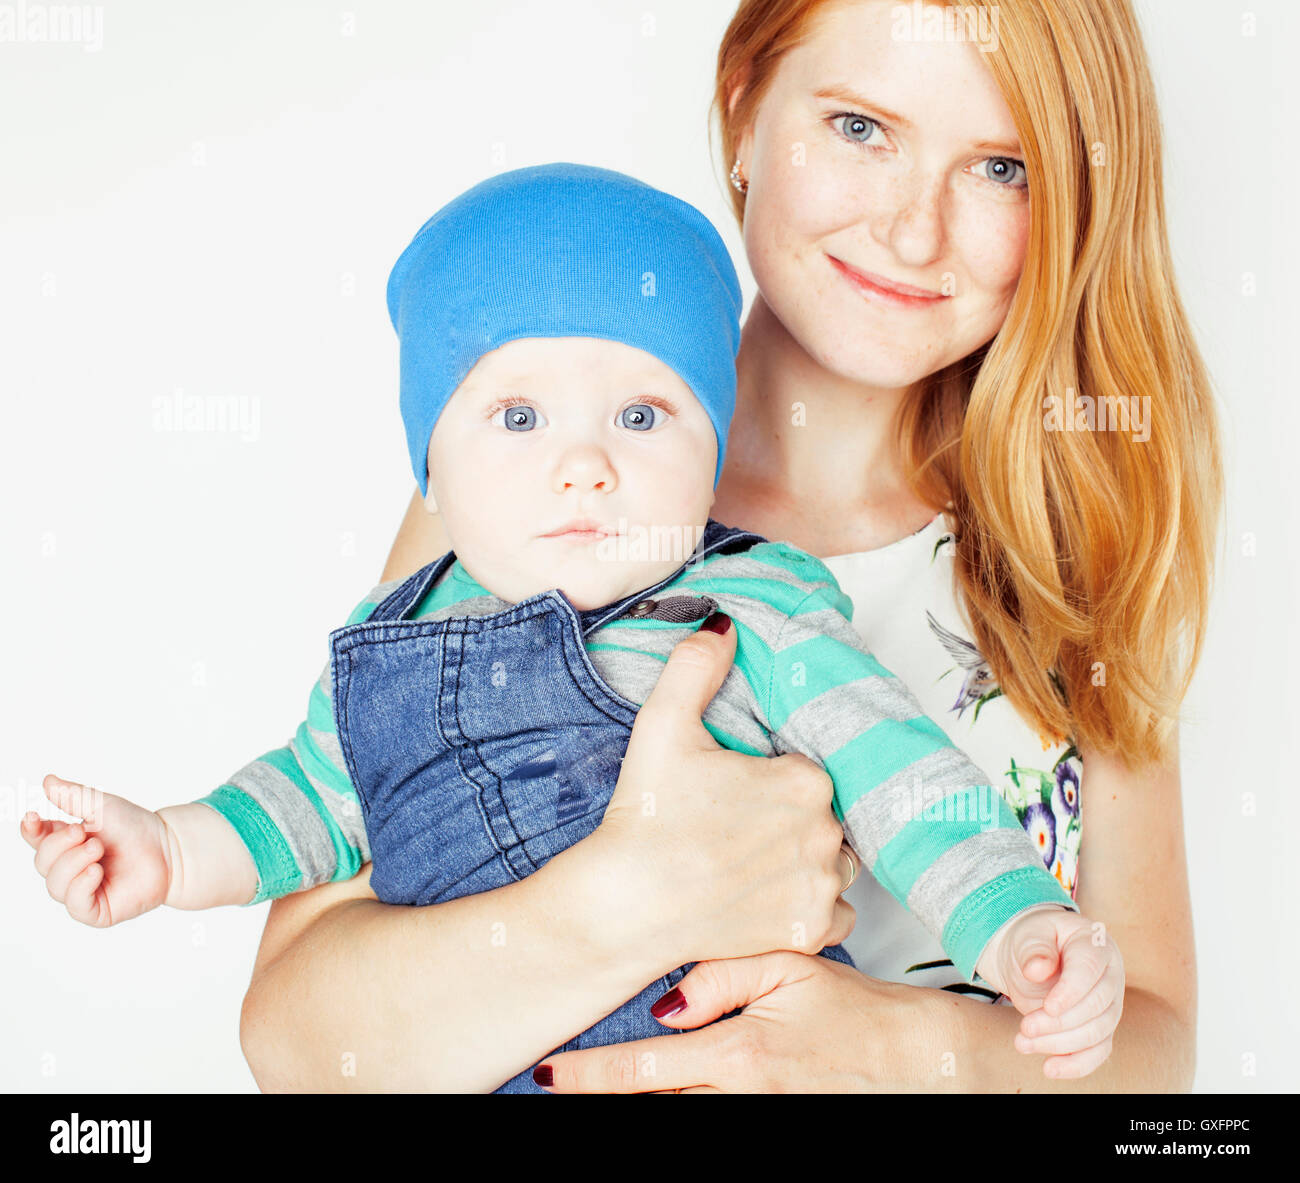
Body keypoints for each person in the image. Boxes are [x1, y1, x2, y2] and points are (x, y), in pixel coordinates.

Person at [233, 0, 1218, 1093]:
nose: (913, 232)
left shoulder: (1077, 533)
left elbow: (1158, 1051)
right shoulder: (548, 490)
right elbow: (302, 1047)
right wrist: (629, 900)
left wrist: (903, 1048)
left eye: (1000, 168)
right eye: (859, 128)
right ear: (745, 111)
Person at [23, 164, 1120, 1093]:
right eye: (516, 416)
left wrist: (1020, 928)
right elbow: (305, 804)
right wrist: (166, 848)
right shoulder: (386, 649)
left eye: (642, 416)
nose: (585, 462)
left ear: (710, 448)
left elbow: (904, 783)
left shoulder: (752, 604)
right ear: (432, 469)